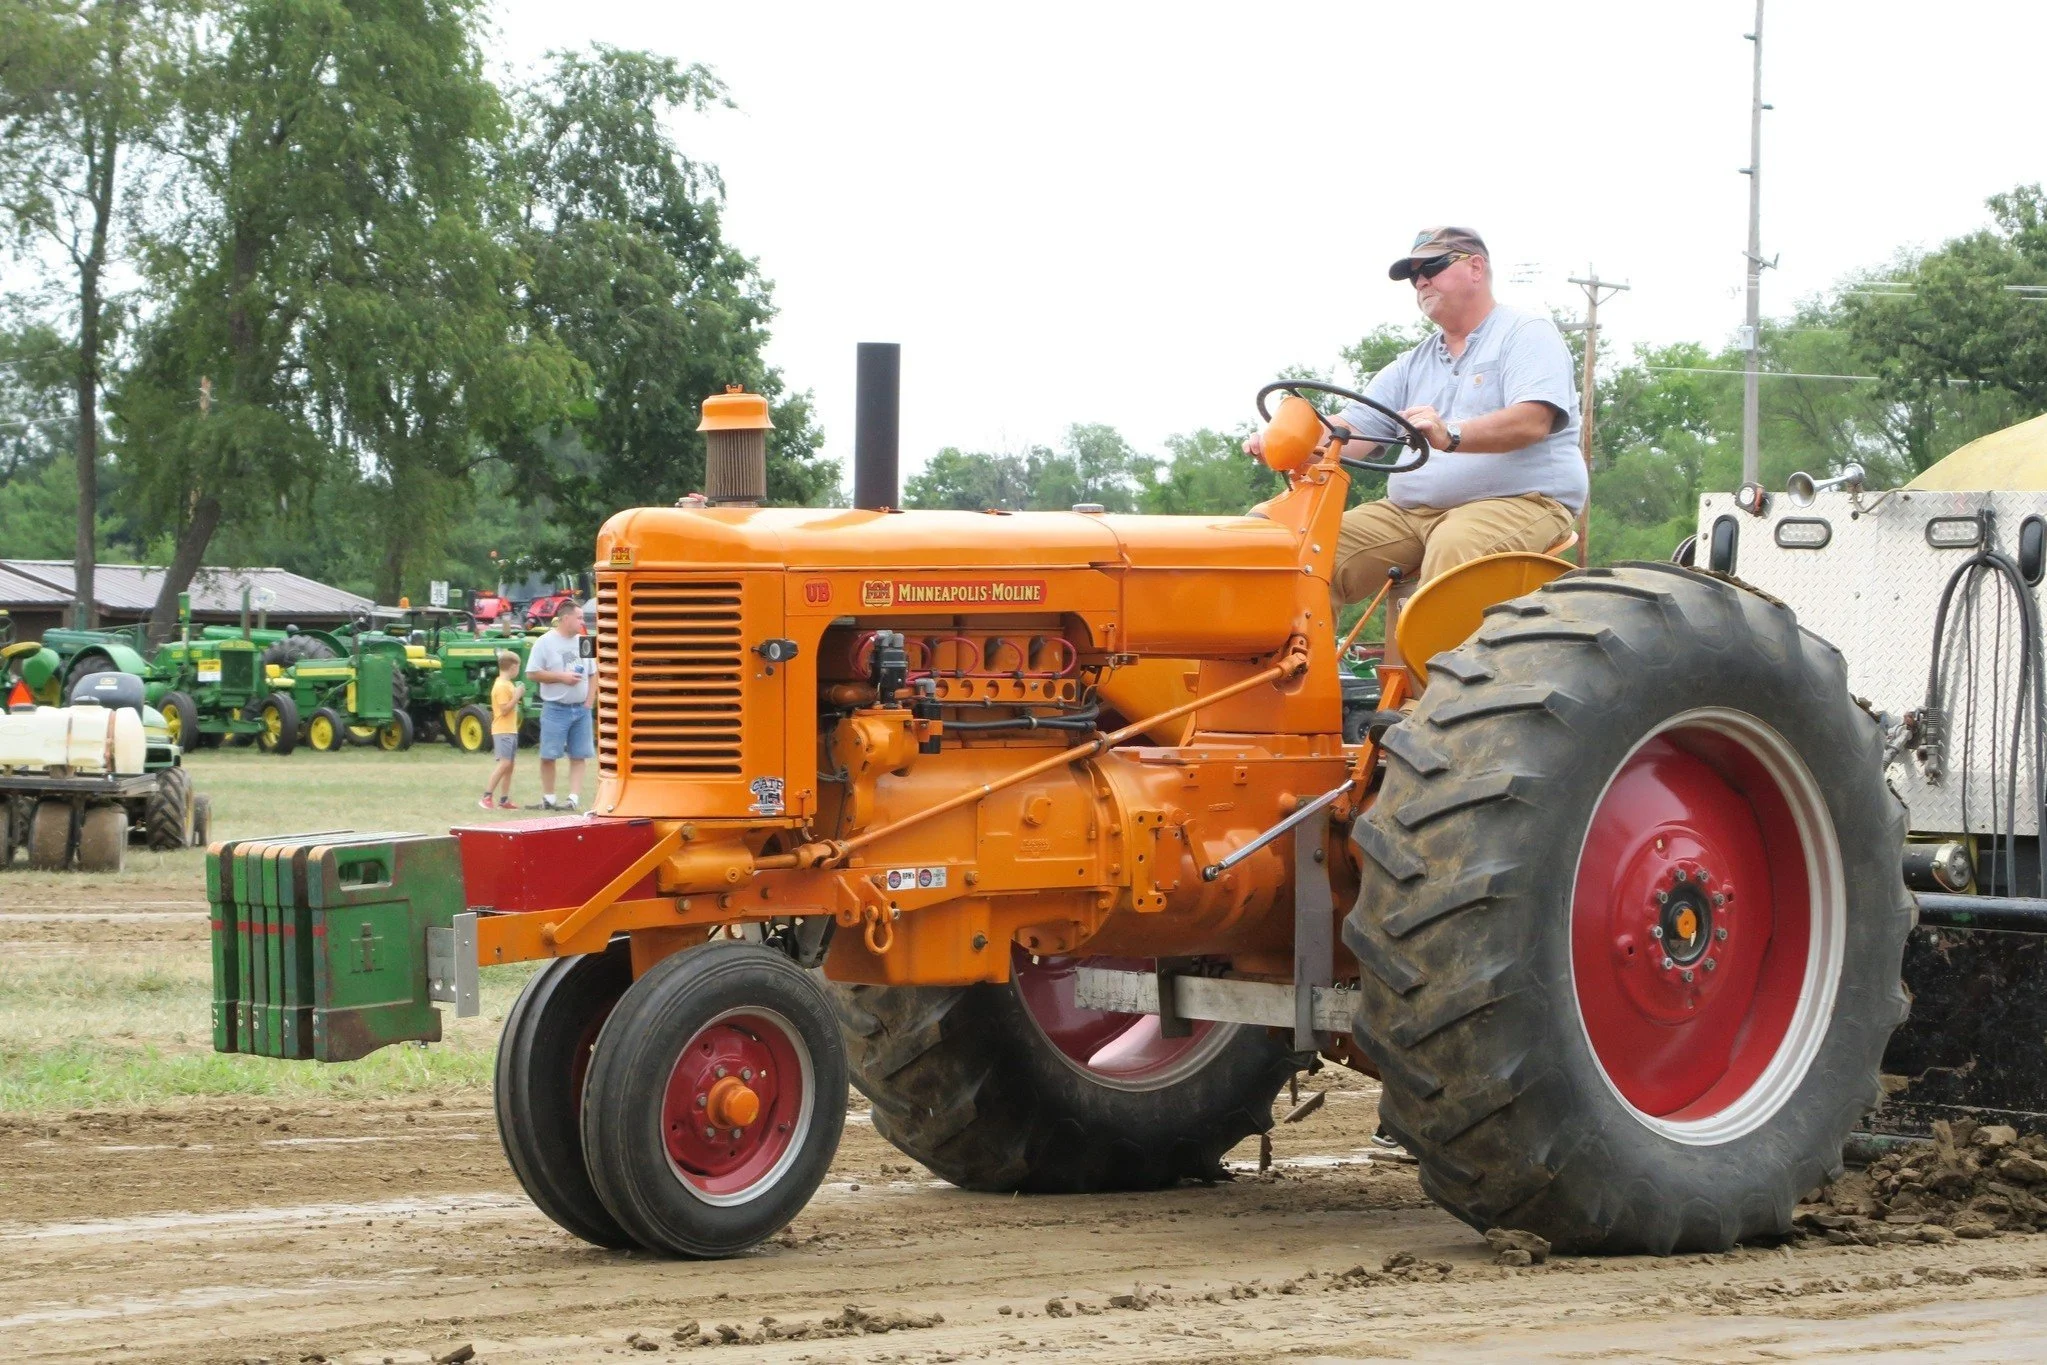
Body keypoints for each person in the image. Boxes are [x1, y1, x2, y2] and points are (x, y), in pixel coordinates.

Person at [1249, 227, 1585, 599]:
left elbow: (1533, 420)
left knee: (1456, 545)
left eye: (1432, 266)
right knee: (1296, 549)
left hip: (1521, 501)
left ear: (1476, 267)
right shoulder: (1411, 364)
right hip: (1409, 513)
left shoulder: (1525, 332)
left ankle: (1436, 659)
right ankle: (1302, 658)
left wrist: (1451, 435)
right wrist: (1285, 441)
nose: (1421, 281)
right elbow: (1348, 435)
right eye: (1413, 275)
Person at [525, 599, 596, 810]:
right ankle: (549, 798)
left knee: (579, 755)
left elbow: (593, 674)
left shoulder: (585, 641)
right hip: (555, 708)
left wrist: (589, 702)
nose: (583, 621)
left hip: (581, 709)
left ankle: (573, 799)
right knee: (549, 755)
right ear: (565, 619)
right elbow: (532, 673)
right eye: (579, 618)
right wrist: (561, 677)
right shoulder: (544, 642)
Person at [479, 651, 523, 811]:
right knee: (504, 764)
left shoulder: (508, 684)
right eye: (518, 667)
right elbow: (504, 710)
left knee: (510, 765)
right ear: (513, 667)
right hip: (502, 730)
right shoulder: (502, 686)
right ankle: (487, 796)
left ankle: (504, 799)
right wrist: (517, 696)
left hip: (510, 730)